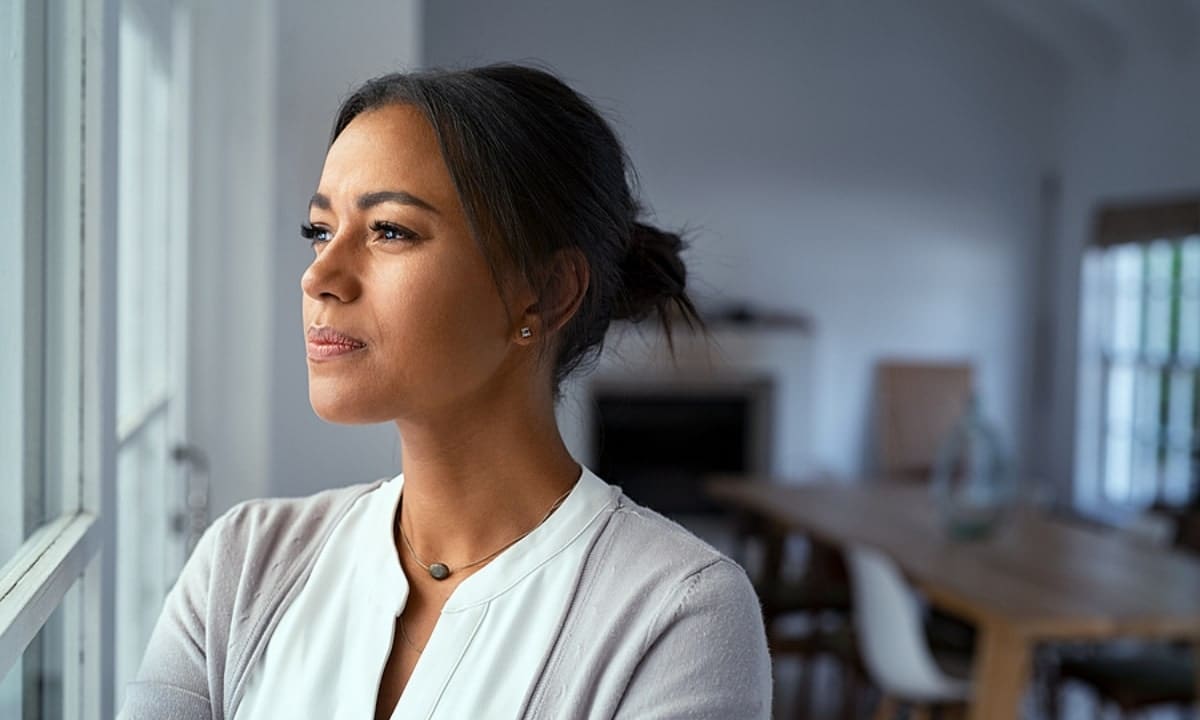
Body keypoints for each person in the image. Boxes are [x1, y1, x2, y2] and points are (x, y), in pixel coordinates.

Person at [119, 63, 771, 720]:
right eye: (320, 230)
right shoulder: (243, 564)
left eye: (390, 231)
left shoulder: (679, 615)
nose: (320, 276)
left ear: (544, 293)